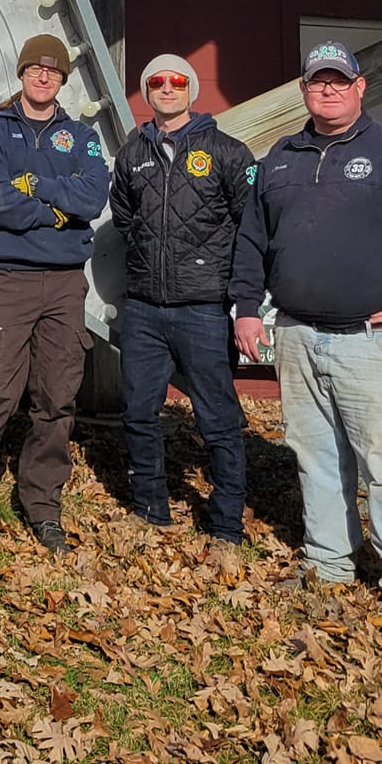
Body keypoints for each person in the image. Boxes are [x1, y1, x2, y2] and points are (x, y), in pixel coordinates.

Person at [229, 40, 382, 638]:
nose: (328, 90)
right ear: (303, 91)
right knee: (316, 458)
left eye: (339, 80)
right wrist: (247, 310)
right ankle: (329, 564)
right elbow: (252, 239)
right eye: (317, 81)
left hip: (374, 342)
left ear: (360, 87)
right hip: (297, 335)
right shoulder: (280, 158)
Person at [0, 34, 109, 559]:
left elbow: (94, 196)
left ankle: (43, 506)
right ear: (21, 74)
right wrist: (58, 214)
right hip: (6, 280)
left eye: (53, 71)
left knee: (56, 399)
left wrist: (35, 186)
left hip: (64, 284)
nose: (43, 76)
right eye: (35, 69)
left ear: (62, 80)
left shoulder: (80, 137)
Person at [109, 52, 253, 572]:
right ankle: (151, 509)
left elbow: (251, 222)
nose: (166, 88)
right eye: (156, 82)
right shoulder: (133, 153)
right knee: (139, 413)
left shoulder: (227, 151)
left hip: (204, 309)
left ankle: (227, 527)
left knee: (218, 420)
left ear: (191, 89)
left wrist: (237, 293)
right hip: (145, 309)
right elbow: (123, 215)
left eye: (176, 80)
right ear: (147, 92)